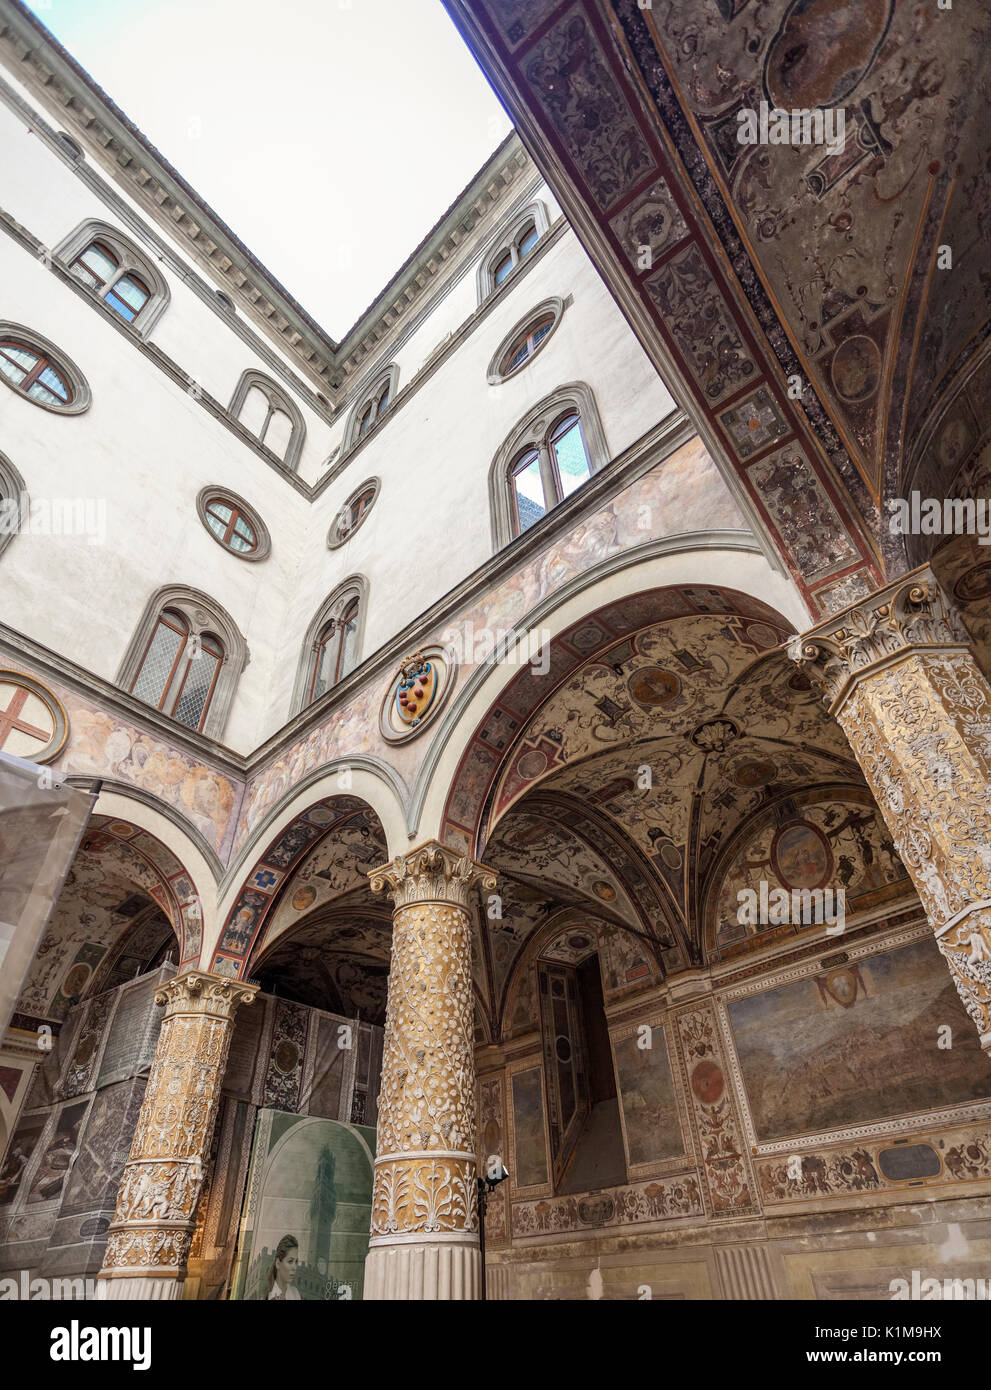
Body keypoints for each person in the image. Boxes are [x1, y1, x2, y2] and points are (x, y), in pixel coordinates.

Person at [267, 1234, 301, 1300]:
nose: (294, 1267)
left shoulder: (295, 1293)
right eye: (290, 1261)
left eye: (296, 1262)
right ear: (278, 1263)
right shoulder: (269, 1295)